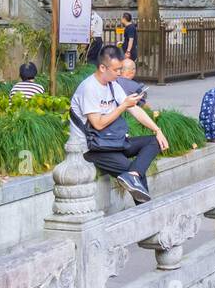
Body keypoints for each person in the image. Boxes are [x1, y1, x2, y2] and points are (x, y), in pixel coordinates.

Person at [68, 49, 167, 204]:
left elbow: (134, 109)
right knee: (132, 171)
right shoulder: (89, 88)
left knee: (154, 142)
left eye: (121, 69)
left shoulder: (113, 85)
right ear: (102, 68)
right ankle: (146, 213)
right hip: (92, 148)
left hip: (111, 141)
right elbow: (98, 124)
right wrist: (122, 106)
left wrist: (158, 130)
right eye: (116, 70)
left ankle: (133, 175)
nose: (120, 73)